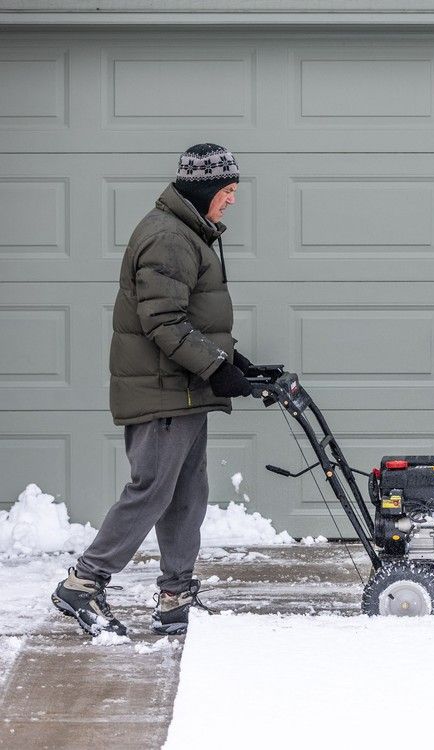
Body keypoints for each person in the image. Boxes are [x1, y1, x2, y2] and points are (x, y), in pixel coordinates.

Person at [52, 143, 259, 637]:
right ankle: (83, 584)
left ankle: (174, 596)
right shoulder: (169, 237)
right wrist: (216, 367)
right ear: (205, 188)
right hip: (163, 391)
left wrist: (232, 361)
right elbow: (162, 321)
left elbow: (191, 316)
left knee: (186, 494)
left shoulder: (187, 232)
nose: (231, 201)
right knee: (150, 492)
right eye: (227, 191)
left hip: (184, 389)